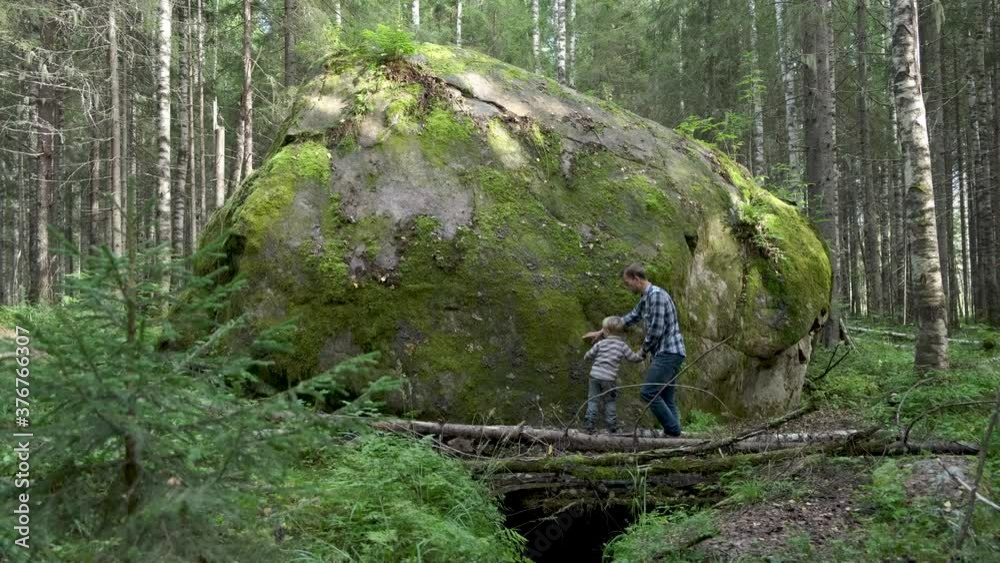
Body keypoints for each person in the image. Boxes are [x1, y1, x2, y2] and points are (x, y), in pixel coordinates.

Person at [583, 263, 687, 437]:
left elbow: (657, 330)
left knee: (649, 392)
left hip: (668, 352)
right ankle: (676, 435)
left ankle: (673, 430)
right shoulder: (646, 298)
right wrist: (602, 332)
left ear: (636, 279)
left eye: (627, 283)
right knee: (666, 397)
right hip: (669, 353)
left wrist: (642, 351)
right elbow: (629, 318)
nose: (627, 287)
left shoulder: (656, 296)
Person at [582, 316, 644, 434]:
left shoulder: (601, 344)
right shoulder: (622, 346)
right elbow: (634, 358)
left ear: (606, 331)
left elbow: (589, 355)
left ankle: (589, 423)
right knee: (610, 401)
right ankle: (612, 426)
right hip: (609, 379)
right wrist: (642, 352)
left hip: (594, 376)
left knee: (593, 400)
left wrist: (587, 357)